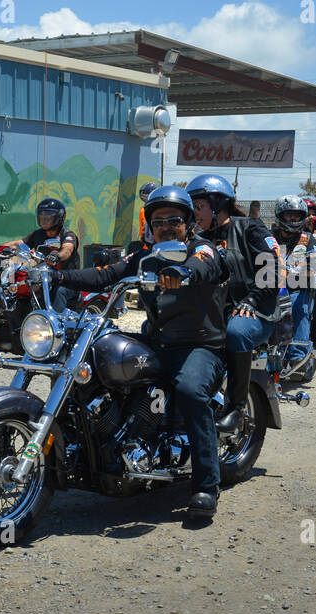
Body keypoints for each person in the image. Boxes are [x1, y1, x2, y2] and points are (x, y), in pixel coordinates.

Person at [53, 186, 227, 519]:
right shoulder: (145, 255)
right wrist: (58, 276)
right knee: (97, 361)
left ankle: (206, 485)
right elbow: (106, 275)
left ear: (188, 222)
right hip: (158, 340)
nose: (165, 226)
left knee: (191, 392)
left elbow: (203, 265)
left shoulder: (202, 248)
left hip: (199, 344)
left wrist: (183, 272)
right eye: (158, 220)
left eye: (174, 220)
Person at [187, 174, 280, 435]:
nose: (194, 214)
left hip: (256, 310)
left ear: (218, 204)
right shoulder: (197, 238)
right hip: (215, 312)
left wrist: (251, 300)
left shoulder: (250, 228)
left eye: (199, 207)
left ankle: (235, 409)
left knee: (237, 331)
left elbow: (271, 270)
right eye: (191, 208)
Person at [271, 195, 316, 366]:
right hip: (271, 287)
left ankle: (298, 354)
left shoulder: (307, 238)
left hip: (298, 286)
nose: (293, 219)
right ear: (281, 215)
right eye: (289, 215)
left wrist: (307, 267)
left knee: (299, 305)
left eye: (296, 215)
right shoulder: (270, 236)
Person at [14, 197, 80, 311]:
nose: (44, 219)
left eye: (48, 216)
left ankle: (54, 325)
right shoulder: (38, 234)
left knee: (58, 291)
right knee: (19, 289)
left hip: (68, 280)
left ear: (58, 218)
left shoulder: (67, 234)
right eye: (42, 215)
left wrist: (57, 256)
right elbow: (19, 244)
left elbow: (67, 249)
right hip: (45, 278)